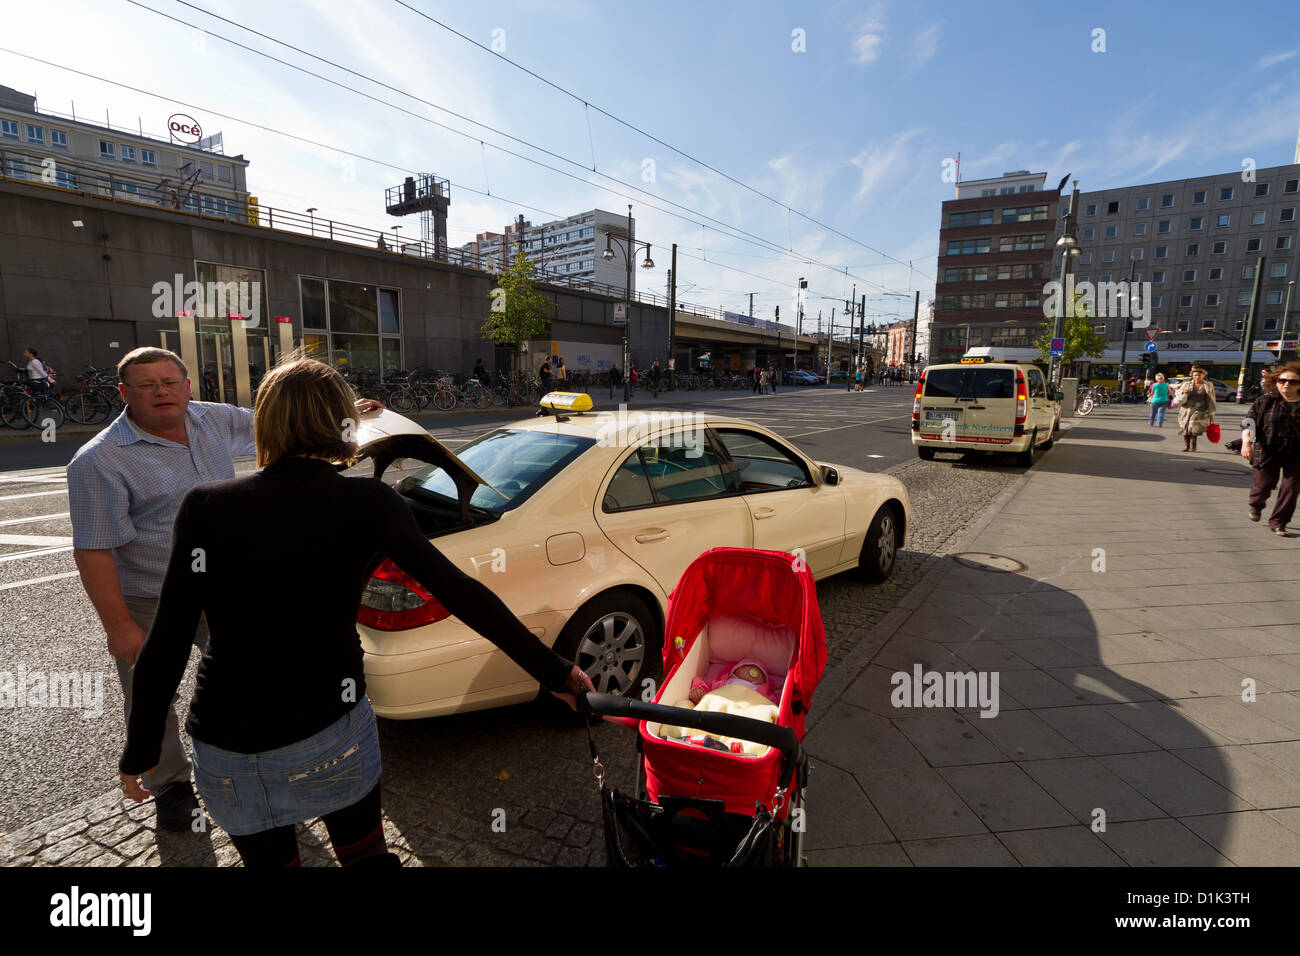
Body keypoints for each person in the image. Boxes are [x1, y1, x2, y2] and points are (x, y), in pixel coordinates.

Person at [117, 357, 594, 866]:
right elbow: (462, 593)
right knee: (365, 857)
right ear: (342, 423)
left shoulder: (204, 506)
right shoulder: (369, 502)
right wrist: (557, 672)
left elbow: (167, 639)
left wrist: (142, 751)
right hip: (329, 723)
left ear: (265, 421)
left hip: (227, 738)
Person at [68, 347, 378, 833]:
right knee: (151, 687)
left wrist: (343, 412)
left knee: (250, 672)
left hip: (224, 585)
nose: (161, 391)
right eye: (146, 385)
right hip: (150, 597)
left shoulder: (210, 418)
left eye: (169, 381)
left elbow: (277, 419)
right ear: (125, 394)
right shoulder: (99, 460)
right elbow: (93, 549)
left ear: (188, 385)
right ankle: (169, 783)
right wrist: (118, 625)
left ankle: (267, 766)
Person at [1241, 361, 1300, 536]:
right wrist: (1246, 443)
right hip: (1267, 449)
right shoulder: (1266, 401)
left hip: (1296, 452)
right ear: (1276, 381)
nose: (1286, 384)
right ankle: (1256, 505)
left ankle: (1279, 522)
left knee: (1291, 488)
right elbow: (1249, 421)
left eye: (1293, 381)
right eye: (1282, 380)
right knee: (1262, 485)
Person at [1174, 365, 1216, 452]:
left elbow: (1212, 399)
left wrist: (1211, 411)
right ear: (1192, 376)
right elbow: (1178, 394)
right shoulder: (1186, 384)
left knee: (1194, 428)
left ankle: (1193, 446)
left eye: (1199, 375)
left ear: (1203, 375)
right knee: (1185, 427)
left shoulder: (1208, 385)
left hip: (1200, 410)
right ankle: (1187, 446)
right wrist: (1183, 392)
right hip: (1187, 409)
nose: (1197, 377)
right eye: (1195, 375)